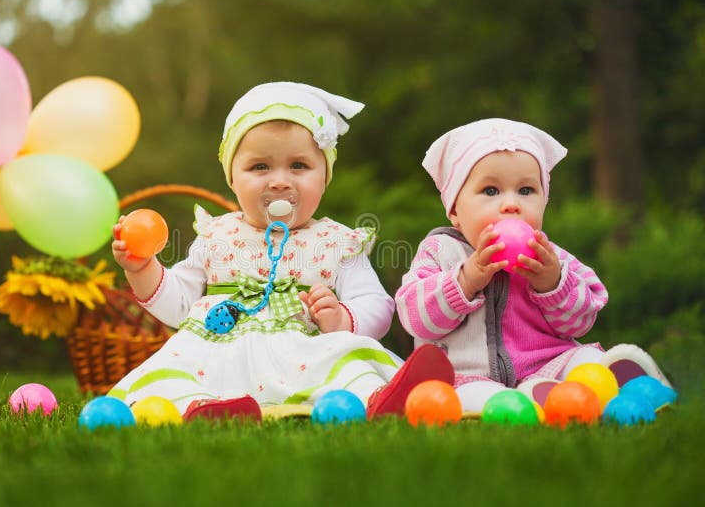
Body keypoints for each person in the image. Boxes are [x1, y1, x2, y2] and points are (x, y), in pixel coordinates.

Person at [107, 82, 453, 421]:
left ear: (324, 178)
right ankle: (203, 406)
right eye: (260, 167)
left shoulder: (336, 241)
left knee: (344, 363)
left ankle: (379, 397)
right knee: (177, 371)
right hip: (220, 355)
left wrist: (341, 318)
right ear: (232, 179)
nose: (279, 181)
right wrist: (142, 268)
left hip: (303, 356)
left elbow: (375, 303)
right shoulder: (216, 235)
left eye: (298, 166)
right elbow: (179, 303)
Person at [395, 118, 671, 412]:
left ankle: (618, 378)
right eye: (491, 191)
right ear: (454, 210)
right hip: (470, 375)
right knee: (475, 397)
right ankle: (529, 401)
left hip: (549, 364)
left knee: (584, 362)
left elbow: (583, 320)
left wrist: (553, 283)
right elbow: (414, 318)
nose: (511, 204)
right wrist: (465, 281)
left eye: (526, 190)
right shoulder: (440, 251)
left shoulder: (549, 257)